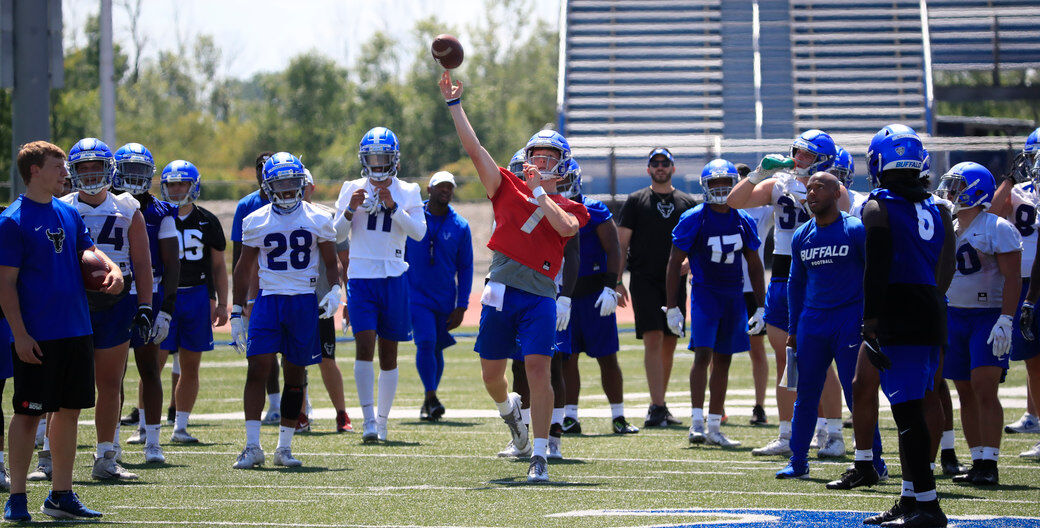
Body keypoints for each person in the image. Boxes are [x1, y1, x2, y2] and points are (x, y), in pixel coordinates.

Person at [440, 71, 588, 482]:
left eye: (549, 158)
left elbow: (564, 228)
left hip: (540, 294)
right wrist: (455, 105)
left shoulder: (571, 206)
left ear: (563, 166)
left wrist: (540, 192)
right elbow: (474, 148)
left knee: (539, 369)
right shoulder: (505, 186)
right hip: (500, 291)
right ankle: (513, 420)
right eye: (535, 156)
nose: (540, 163)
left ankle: (539, 455)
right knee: (491, 374)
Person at [0, 140, 123, 520]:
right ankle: (17, 498)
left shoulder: (68, 213)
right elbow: (5, 285)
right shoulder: (12, 219)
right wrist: (19, 334)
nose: (65, 174)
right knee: (28, 413)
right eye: (58, 167)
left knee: (69, 412)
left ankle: (60, 494)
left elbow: (91, 251)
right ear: (34, 171)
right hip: (39, 334)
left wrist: (114, 269)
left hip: (77, 328)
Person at [727, 129, 849, 457]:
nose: (798, 160)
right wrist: (759, 174)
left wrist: (814, 193)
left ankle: (831, 432)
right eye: (798, 152)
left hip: (816, 275)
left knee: (819, 359)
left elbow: (844, 211)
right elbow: (734, 201)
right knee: (786, 359)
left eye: (807, 155)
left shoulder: (833, 187)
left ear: (823, 160)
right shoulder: (778, 183)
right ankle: (787, 432)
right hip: (782, 277)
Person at [859, 124, 954, 527]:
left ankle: (928, 507)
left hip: (899, 309)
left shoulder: (877, 207)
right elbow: (945, 266)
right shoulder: (939, 208)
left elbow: (876, 269)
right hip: (931, 306)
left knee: (909, 415)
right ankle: (911, 499)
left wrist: (870, 321)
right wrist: (932, 298)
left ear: (879, 162)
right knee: (914, 408)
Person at [230, 152, 342, 469]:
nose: (288, 188)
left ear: (302, 182)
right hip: (269, 299)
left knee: (296, 375)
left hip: (304, 300)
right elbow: (243, 267)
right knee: (258, 369)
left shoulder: (319, 217)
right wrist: (237, 311)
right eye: (281, 182)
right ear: (268, 185)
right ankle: (252, 447)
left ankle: (284, 448)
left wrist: (335, 290)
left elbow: (330, 260)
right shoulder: (256, 220)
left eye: (293, 181)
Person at [776, 171, 883, 479]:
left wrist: (871, 319)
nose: (811, 193)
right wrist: (794, 330)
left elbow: (872, 276)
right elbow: (795, 285)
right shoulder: (801, 235)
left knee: (857, 394)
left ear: (838, 193)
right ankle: (798, 462)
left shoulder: (855, 229)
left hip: (849, 321)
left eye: (819, 187)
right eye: (808, 188)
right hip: (812, 323)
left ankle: (875, 461)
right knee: (806, 394)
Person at [61, 139, 158, 478]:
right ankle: (48, 456)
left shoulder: (127, 207)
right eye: (82, 168)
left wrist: (145, 304)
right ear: (72, 172)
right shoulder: (63, 207)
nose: (89, 174)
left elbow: (143, 263)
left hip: (117, 300)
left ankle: (105, 456)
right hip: (73, 301)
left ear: (110, 169)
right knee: (63, 382)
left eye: (95, 167)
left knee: (110, 381)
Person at [335, 127, 426, 443]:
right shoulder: (351, 187)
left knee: (389, 353)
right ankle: (368, 420)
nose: (377, 164)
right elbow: (335, 235)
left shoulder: (408, 191)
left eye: (382, 158)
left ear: (394, 159)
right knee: (364, 348)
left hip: (393, 276)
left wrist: (393, 207)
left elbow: (418, 233)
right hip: (360, 277)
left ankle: (384, 421)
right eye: (372, 158)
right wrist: (349, 207)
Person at [665, 159, 765, 448]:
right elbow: (673, 264)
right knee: (703, 355)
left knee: (724, 359)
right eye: (715, 183)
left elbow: (755, 264)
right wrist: (672, 305)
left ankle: (714, 426)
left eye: (726, 183)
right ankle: (696, 423)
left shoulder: (743, 219)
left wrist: (760, 305)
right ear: (705, 187)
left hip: (734, 295)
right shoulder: (695, 217)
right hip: (706, 293)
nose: (721, 189)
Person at [935, 162, 1021, 486]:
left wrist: (1006, 319)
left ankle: (990, 464)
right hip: (954, 314)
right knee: (965, 392)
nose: (950, 192)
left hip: (987, 315)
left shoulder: (996, 227)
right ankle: (977, 461)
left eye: (957, 186)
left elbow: (1013, 278)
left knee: (985, 388)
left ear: (975, 189)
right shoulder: (951, 225)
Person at [616, 147, 698, 427]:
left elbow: (697, 241)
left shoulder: (687, 202)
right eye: (655, 163)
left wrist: (692, 263)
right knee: (653, 337)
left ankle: (660, 404)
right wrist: (616, 280)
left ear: (673, 168)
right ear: (648, 169)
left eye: (665, 163)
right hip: (644, 279)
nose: (660, 167)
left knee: (670, 341)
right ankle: (657, 405)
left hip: (675, 280)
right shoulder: (636, 201)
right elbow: (621, 243)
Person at [557, 160, 639, 435]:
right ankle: (570, 416)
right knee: (567, 358)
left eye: (566, 178)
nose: (562, 184)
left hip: (594, 293)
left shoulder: (594, 208)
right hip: (562, 294)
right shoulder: (549, 206)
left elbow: (614, 249)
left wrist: (611, 286)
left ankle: (618, 416)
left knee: (607, 357)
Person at [113, 142, 179, 464]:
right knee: (112, 374)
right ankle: (109, 441)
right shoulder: (105, 204)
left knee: (149, 369)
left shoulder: (161, 211)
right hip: (110, 294)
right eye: (130, 169)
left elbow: (172, 264)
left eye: (141, 171)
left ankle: (152, 441)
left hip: (147, 293)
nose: (135, 177)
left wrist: (166, 309)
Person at [156, 160, 229, 443]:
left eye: (181, 184)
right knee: (154, 363)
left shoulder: (207, 220)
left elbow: (219, 266)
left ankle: (181, 426)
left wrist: (222, 303)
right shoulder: (157, 216)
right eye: (171, 184)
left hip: (197, 294)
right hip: (164, 293)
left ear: (193, 186)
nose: (176, 189)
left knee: (190, 365)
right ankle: (145, 427)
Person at [405, 171, 473, 421]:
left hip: (444, 297)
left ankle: (428, 398)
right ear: (429, 190)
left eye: (450, 187)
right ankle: (432, 396)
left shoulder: (460, 226)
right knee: (425, 341)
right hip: (415, 294)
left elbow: (466, 267)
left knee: (437, 347)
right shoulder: (413, 217)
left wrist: (462, 305)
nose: (446, 191)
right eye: (440, 187)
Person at [230, 151, 283, 425]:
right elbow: (239, 257)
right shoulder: (247, 205)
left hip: (290, 285)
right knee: (262, 352)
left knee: (294, 352)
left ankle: (300, 406)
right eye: (260, 168)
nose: (264, 173)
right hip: (258, 289)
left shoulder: (292, 200)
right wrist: (240, 299)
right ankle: (274, 404)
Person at [995, 129, 1040, 438]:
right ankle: (1033, 414)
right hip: (1023, 282)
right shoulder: (1020, 190)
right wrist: (1007, 181)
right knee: (1032, 357)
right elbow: (993, 214)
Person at [300, 169, 352, 433]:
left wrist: (345, 297)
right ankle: (299, 414)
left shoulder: (325, 216)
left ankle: (341, 413)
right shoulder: (274, 216)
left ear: (312, 187)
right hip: (290, 297)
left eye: (302, 183)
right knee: (294, 358)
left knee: (327, 358)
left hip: (320, 298)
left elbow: (344, 259)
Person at [735, 163, 773, 426]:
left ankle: (759, 405)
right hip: (724, 286)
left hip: (753, 289)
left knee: (757, 349)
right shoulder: (721, 207)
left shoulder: (763, 208)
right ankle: (717, 407)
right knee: (715, 350)